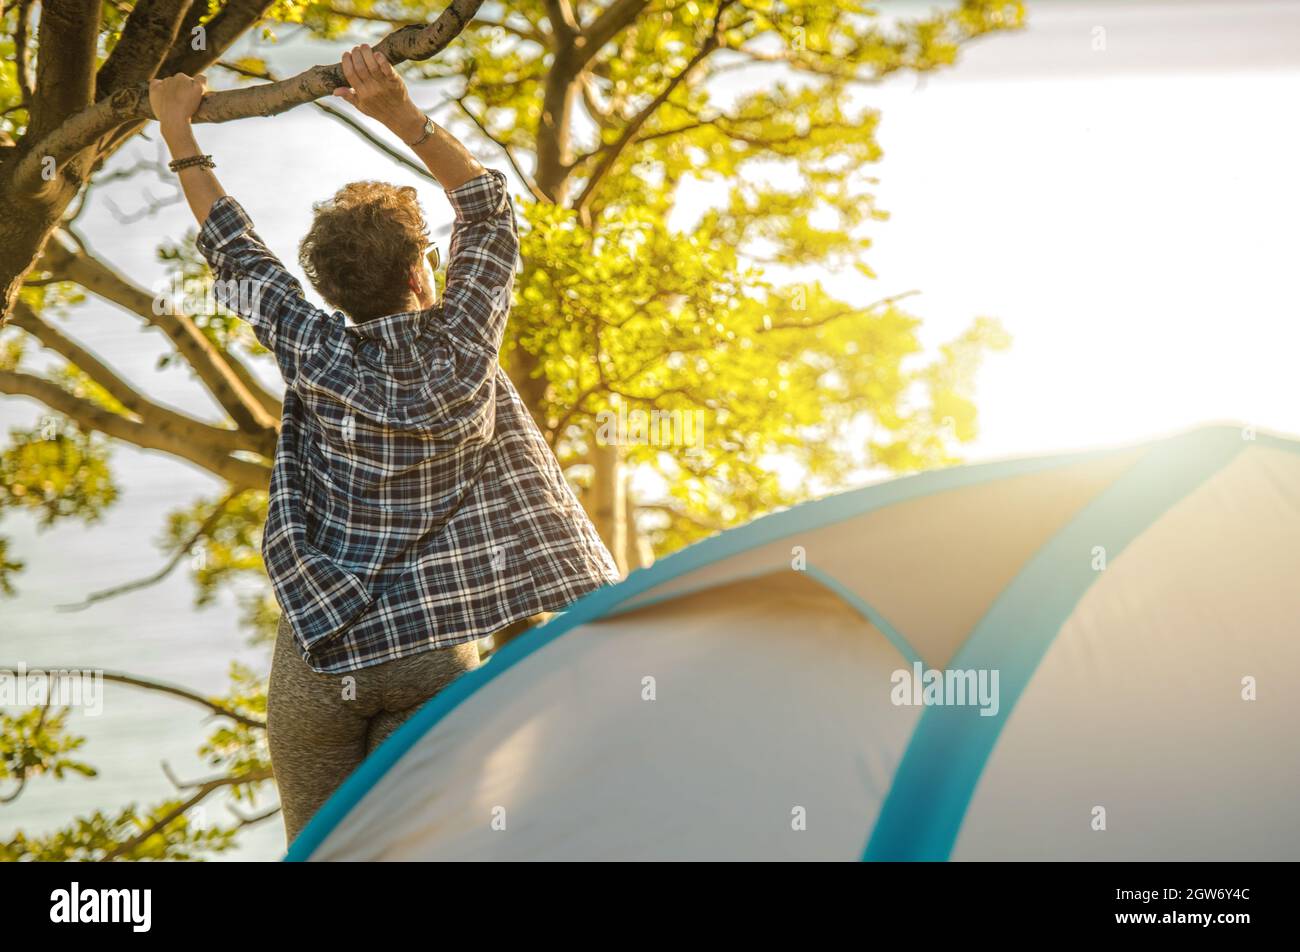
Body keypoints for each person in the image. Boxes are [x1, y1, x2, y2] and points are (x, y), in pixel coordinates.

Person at [149, 44, 619, 844]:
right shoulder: (465, 340)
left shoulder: (314, 348)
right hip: (434, 655)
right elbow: (486, 207)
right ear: (417, 277)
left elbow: (237, 252)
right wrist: (400, 112)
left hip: (321, 655)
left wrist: (177, 131)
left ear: (331, 290)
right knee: (417, 851)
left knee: (321, 852)